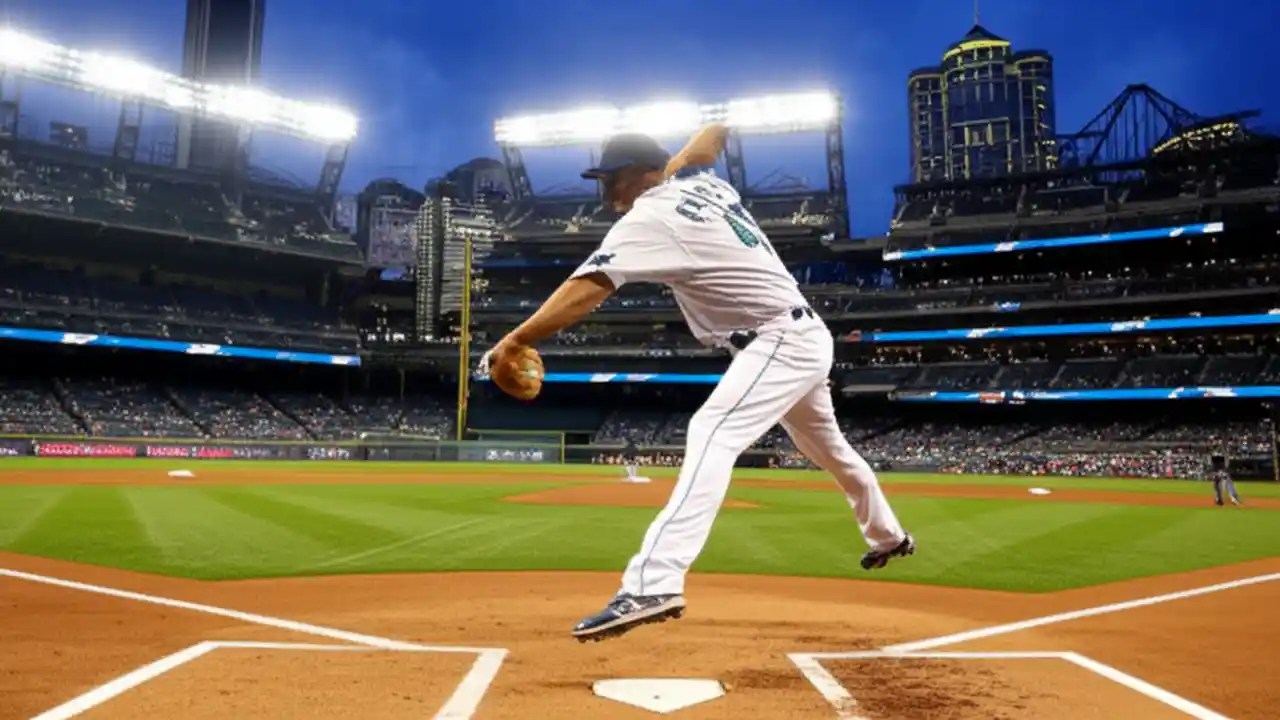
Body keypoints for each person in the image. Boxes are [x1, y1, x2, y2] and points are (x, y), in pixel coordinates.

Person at [481, 125, 913, 643]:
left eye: (613, 179)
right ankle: (888, 536)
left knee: (712, 431)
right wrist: (674, 162)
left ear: (642, 176)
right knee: (831, 451)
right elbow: (713, 136)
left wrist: (513, 340)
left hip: (779, 338)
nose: (606, 192)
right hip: (800, 335)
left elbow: (585, 290)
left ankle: (653, 583)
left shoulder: (650, 216)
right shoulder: (709, 187)